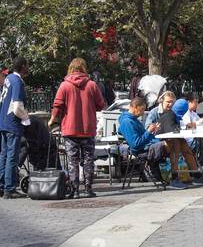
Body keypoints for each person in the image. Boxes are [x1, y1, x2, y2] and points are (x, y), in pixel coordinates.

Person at [50, 57, 107, 198]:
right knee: (88, 159)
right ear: (84, 69)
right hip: (88, 129)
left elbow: (57, 105)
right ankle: (88, 188)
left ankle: (75, 190)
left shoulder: (64, 86)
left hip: (70, 129)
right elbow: (101, 105)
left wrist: (52, 119)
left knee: (72, 160)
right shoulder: (92, 85)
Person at [0, 57, 30, 199]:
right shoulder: (17, 82)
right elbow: (16, 106)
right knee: (12, 156)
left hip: (2, 121)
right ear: (22, 67)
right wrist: (25, 118)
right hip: (12, 123)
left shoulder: (8, 78)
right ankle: (10, 189)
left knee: (3, 155)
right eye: (27, 65)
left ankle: (0, 186)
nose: (28, 68)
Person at [118, 95, 169, 185]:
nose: (142, 113)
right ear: (134, 107)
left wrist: (152, 131)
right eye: (141, 110)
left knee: (177, 142)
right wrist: (149, 132)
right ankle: (173, 175)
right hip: (140, 150)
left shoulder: (134, 120)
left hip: (146, 145)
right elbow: (136, 144)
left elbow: (143, 137)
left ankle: (176, 174)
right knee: (171, 145)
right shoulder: (127, 122)